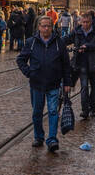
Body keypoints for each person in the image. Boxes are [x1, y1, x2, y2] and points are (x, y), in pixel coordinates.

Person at [17, 13, 73, 152]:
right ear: (39, 27)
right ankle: (38, 136)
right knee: (37, 112)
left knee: (53, 111)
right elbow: (20, 60)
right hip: (36, 84)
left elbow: (66, 64)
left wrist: (67, 82)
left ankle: (52, 139)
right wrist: (29, 73)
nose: (46, 28)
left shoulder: (59, 42)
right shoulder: (31, 42)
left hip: (54, 83)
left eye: (49, 26)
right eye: (44, 26)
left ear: (52, 27)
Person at [69, 9, 95, 119]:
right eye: (83, 22)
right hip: (82, 63)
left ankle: (92, 108)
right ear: (80, 22)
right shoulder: (77, 31)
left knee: (94, 88)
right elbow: (68, 39)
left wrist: (87, 46)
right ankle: (85, 110)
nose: (85, 24)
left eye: (87, 22)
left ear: (91, 22)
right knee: (84, 87)